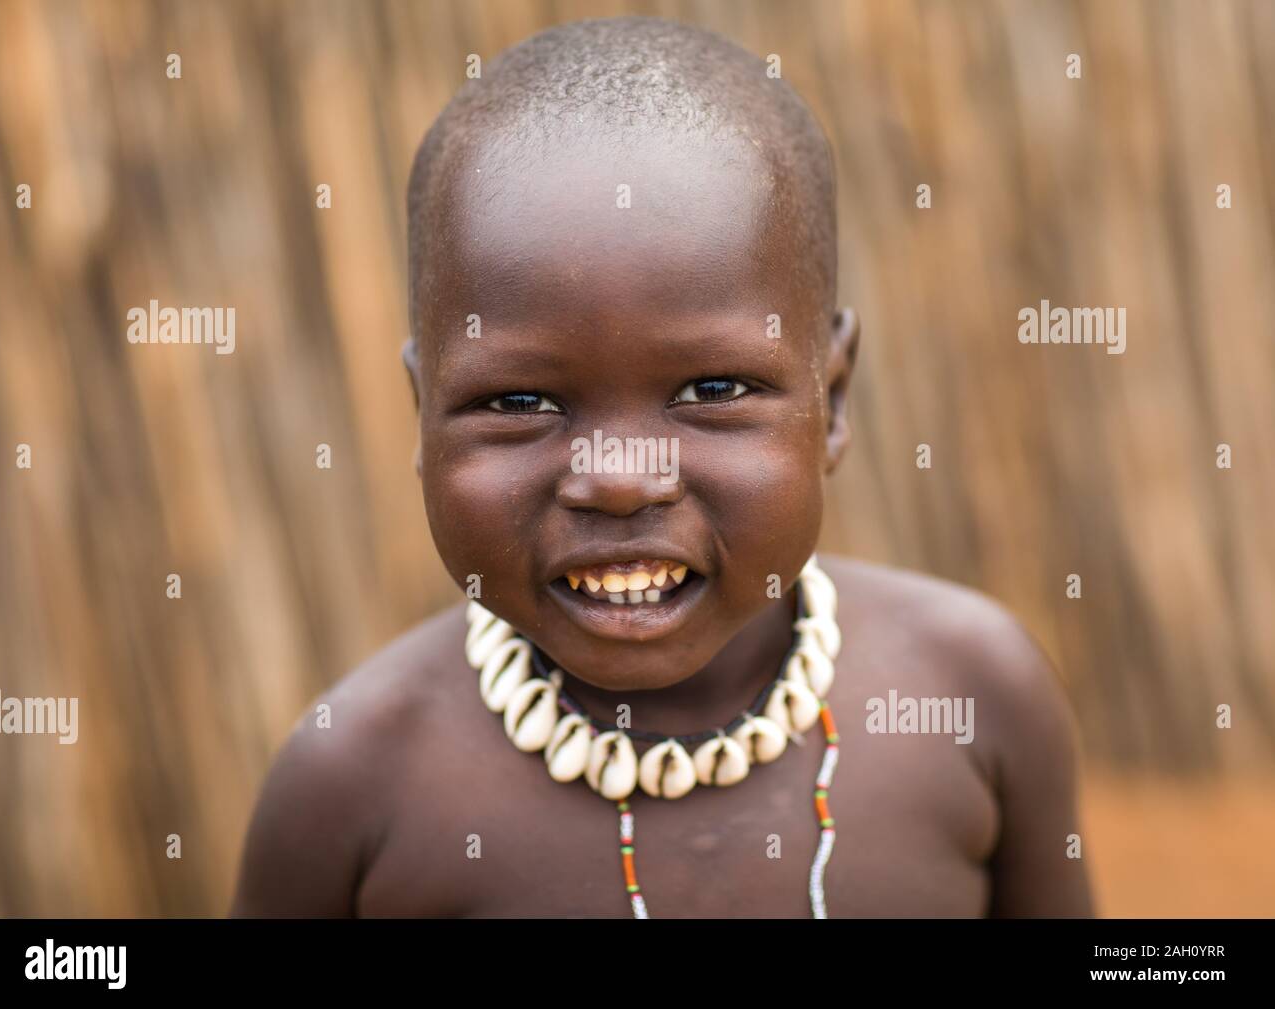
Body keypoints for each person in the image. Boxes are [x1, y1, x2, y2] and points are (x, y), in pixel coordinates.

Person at [231, 16, 1094, 918]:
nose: (617, 477)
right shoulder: (352, 786)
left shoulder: (975, 695)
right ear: (423, 416)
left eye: (713, 387)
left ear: (831, 401)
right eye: (520, 403)